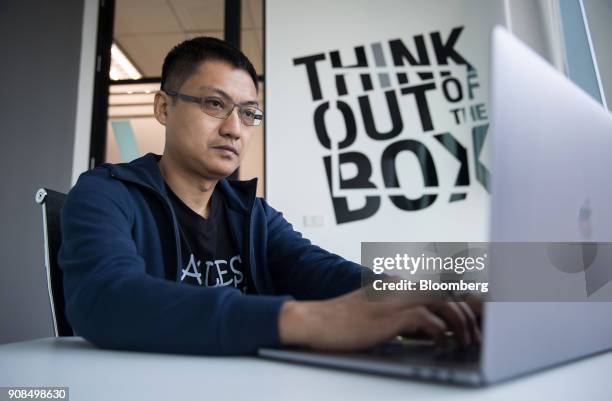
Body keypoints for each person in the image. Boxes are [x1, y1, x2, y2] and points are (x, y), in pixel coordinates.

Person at [59, 36, 480, 355]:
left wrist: (411, 295)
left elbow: (320, 272)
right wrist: (300, 319)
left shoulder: (252, 215)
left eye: (248, 113)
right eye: (213, 103)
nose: (234, 129)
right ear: (164, 109)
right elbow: (106, 298)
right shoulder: (105, 194)